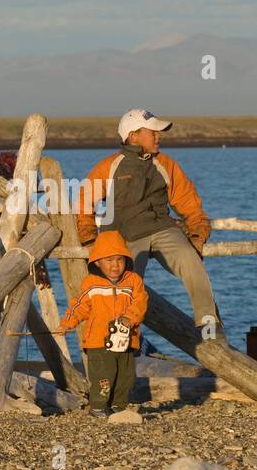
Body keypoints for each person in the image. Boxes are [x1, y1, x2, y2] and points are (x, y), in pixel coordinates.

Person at [75, 109, 220, 335]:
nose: (158, 137)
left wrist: (198, 234)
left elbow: (188, 203)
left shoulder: (166, 164)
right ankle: (124, 335)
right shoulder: (109, 166)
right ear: (133, 136)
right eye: (153, 132)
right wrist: (89, 239)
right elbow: (84, 203)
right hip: (122, 235)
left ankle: (209, 325)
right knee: (125, 286)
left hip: (162, 229)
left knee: (191, 261)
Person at [59, 230, 149, 419]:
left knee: (125, 376)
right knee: (103, 376)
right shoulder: (91, 283)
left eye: (119, 260)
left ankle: (119, 406)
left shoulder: (134, 282)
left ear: (126, 260)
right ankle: (98, 406)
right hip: (98, 341)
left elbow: (140, 303)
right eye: (109, 260)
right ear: (98, 262)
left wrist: (128, 318)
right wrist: (68, 322)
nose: (115, 265)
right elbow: (80, 305)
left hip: (126, 340)